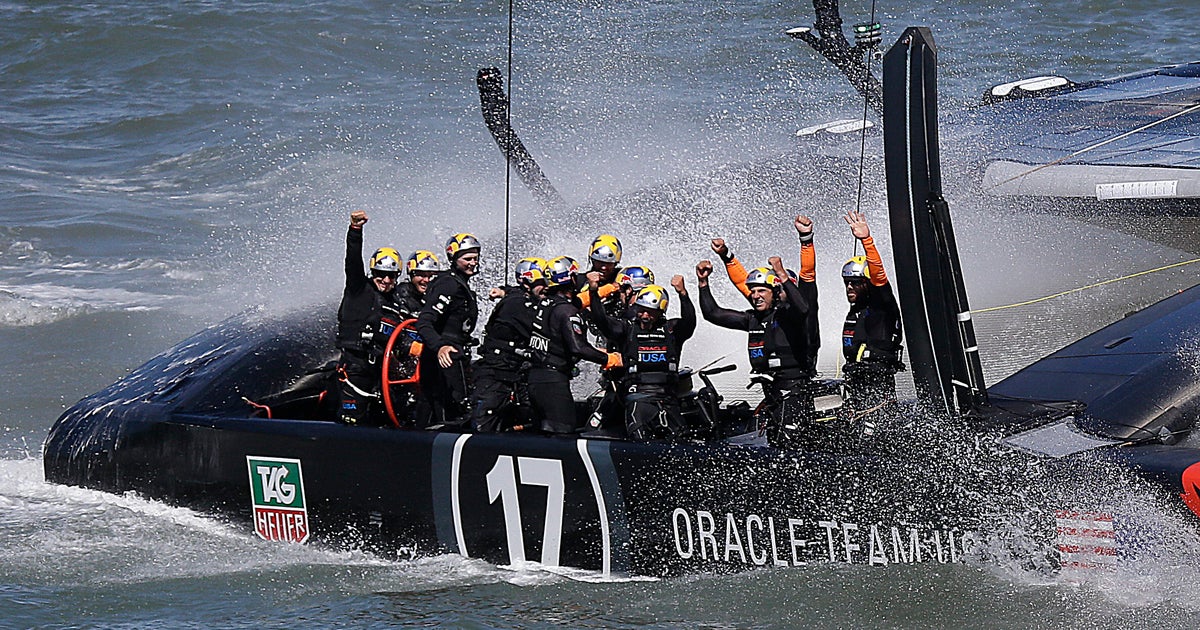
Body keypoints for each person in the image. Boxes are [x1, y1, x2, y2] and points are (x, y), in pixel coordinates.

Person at [697, 254, 815, 446]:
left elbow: (803, 309)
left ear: (774, 292)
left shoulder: (788, 317)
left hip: (794, 393)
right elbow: (713, 314)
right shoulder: (752, 319)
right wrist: (703, 283)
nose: (755, 295)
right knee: (774, 441)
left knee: (788, 443)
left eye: (761, 291)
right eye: (752, 291)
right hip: (771, 394)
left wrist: (781, 273)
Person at [588, 276, 696, 441]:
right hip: (638, 400)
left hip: (667, 399)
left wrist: (682, 293)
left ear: (660, 311)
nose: (644, 315)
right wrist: (594, 292)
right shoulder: (627, 329)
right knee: (639, 439)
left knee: (681, 441)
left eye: (650, 311)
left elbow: (689, 323)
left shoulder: (672, 330)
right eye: (641, 310)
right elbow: (602, 321)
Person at [709, 215, 820, 375]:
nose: (779, 290)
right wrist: (727, 256)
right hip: (771, 385)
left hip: (799, 382)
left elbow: (808, 273)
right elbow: (744, 284)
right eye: (775, 287)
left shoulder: (802, 308)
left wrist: (806, 239)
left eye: (783, 287)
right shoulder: (768, 308)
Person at [528, 256, 622, 435]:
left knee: (542, 432)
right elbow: (578, 347)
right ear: (571, 279)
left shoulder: (545, 303)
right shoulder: (567, 312)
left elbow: (574, 302)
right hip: (553, 381)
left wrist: (604, 290)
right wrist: (610, 359)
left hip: (535, 378)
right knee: (564, 433)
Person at [335, 210, 403, 426]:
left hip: (380, 371)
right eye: (380, 274)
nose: (385, 279)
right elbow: (352, 260)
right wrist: (355, 229)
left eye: (390, 275)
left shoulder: (396, 303)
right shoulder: (359, 289)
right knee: (352, 420)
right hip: (355, 368)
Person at [472, 257, 547, 432]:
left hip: (518, 373)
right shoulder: (517, 304)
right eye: (541, 282)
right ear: (527, 283)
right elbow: (544, 329)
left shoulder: (523, 298)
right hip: (496, 374)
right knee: (484, 425)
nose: (547, 287)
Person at [415, 233, 481, 430]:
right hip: (446, 357)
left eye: (475, 258)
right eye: (467, 259)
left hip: (454, 353)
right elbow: (424, 322)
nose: (473, 263)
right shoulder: (449, 284)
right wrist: (440, 346)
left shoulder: (459, 283)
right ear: (454, 259)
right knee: (453, 410)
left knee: (443, 407)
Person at [840, 210, 904, 414]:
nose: (850, 287)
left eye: (856, 283)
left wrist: (866, 240)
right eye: (847, 283)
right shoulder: (855, 311)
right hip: (855, 385)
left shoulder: (881, 305)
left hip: (878, 387)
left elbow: (879, 278)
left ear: (867, 284)